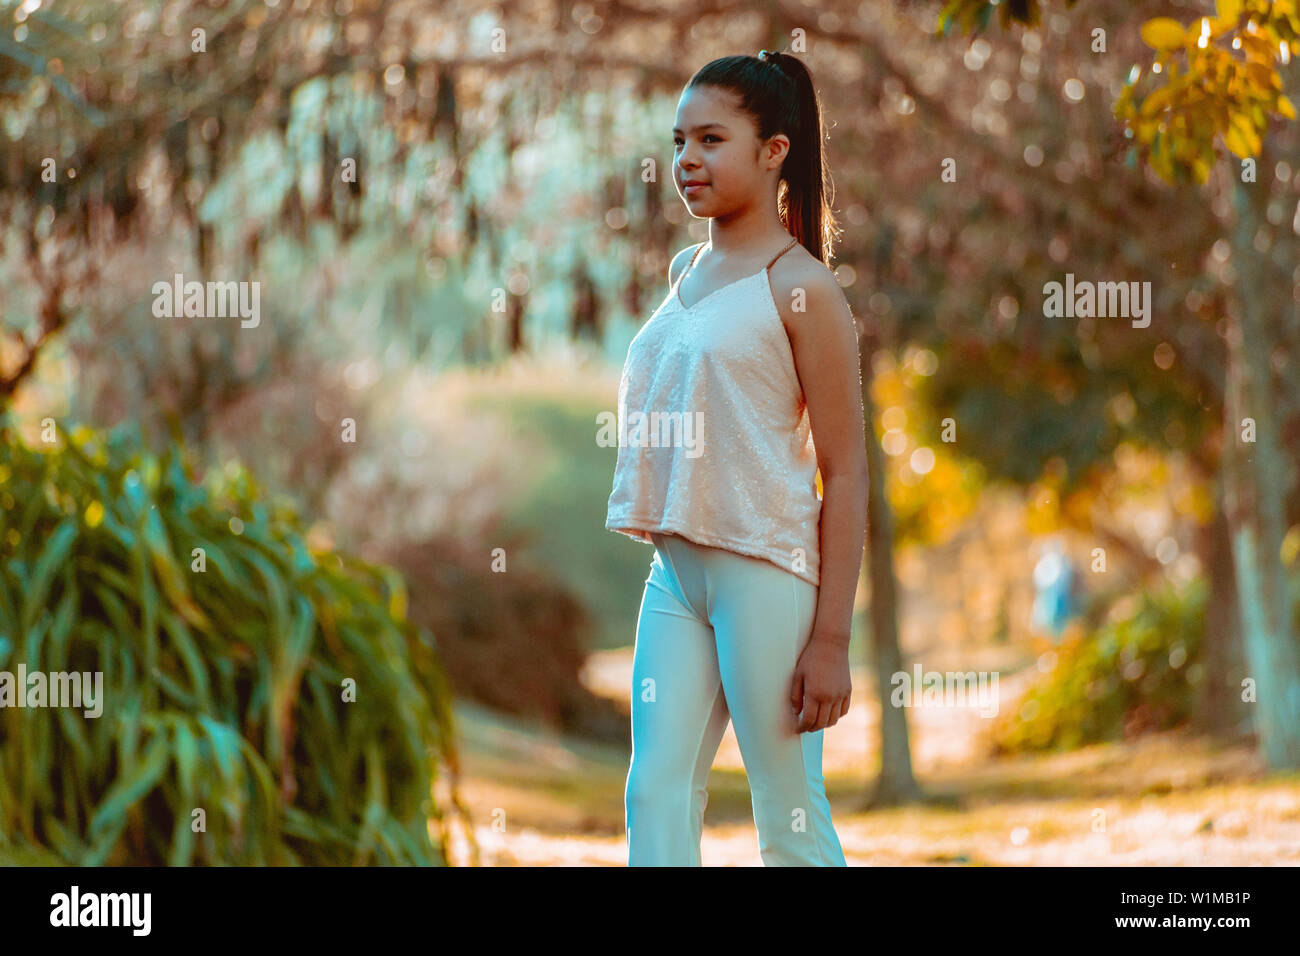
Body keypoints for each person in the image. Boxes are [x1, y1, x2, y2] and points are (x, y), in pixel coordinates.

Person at [604, 50, 868, 866]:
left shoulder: (805, 290)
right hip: (674, 574)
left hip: (767, 572)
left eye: (712, 140)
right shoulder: (686, 269)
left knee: (786, 815)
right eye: (680, 141)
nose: (687, 161)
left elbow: (849, 472)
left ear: (774, 150)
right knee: (655, 792)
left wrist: (830, 641)